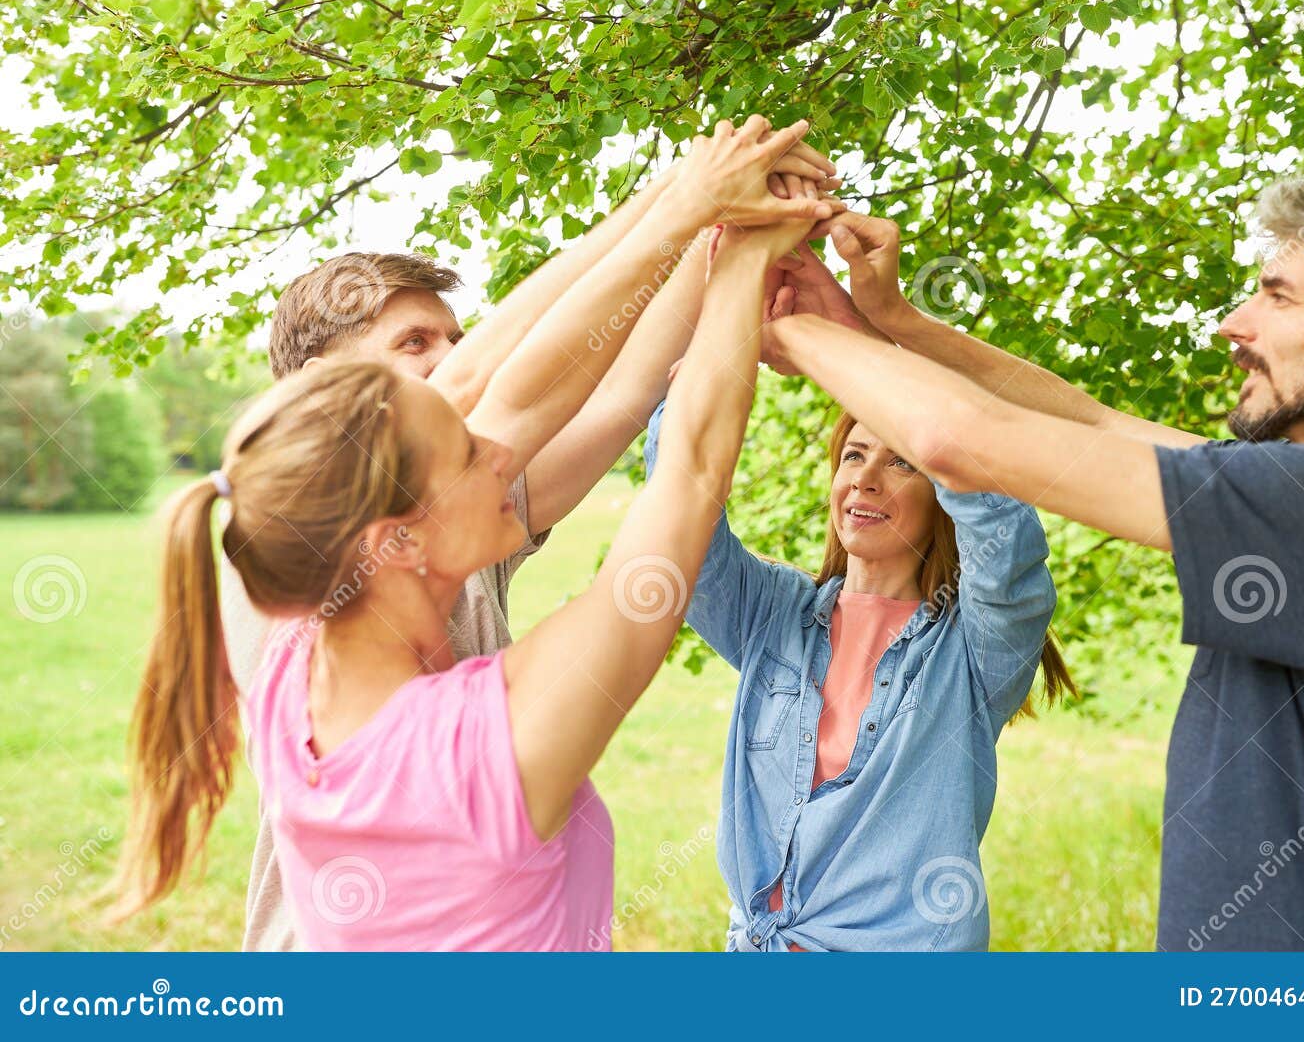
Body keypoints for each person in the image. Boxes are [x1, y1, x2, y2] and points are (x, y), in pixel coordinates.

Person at [766, 182, 1304, 951]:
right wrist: (892, 323)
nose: (1235, 325)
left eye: (1278, 298)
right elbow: (1090, 419)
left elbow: (959, 441)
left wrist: (785, 327)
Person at [114, 120, 828, 948]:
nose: (494, 441)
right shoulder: (484, 744)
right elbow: (658, 450)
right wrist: (709, 222)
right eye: (412, 347)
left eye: (451, 340)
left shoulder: (301, 654)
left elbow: (569, 391)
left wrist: (710, 227)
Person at [642, 236, 1072, 951]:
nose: (865, 481)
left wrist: (870, 342)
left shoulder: (972, 650)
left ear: (939, 492)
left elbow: (1000, 526)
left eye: (901, 461)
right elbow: (679, 507)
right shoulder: (770, 615)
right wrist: (723, 340)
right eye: (853, 455)